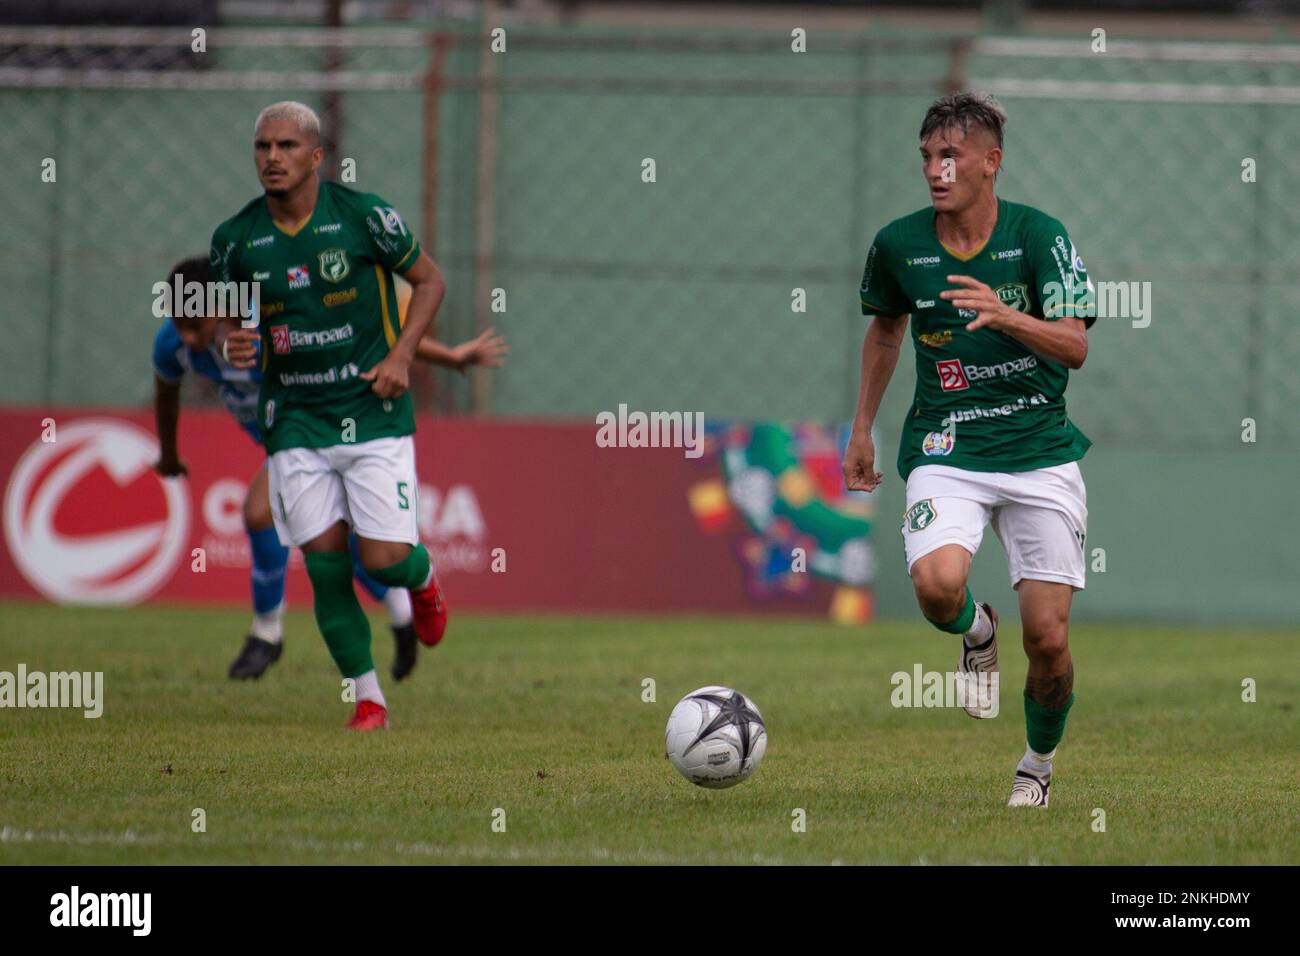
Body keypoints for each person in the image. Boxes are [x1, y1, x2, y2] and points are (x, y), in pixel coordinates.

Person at [844, 92, 1096, 806]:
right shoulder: (899, 245)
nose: (936, 169)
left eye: (950, 155)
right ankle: (976, 628)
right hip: (946, 446)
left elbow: (1075, 345)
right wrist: (862, 427)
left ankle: (1036, 766)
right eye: (927, 156)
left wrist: (1007, 316)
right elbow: (887, 331)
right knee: (935, 586)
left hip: (1039, 451)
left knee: (1047, 641)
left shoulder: (1039, 236)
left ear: (992, 162)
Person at [215, 99, 461, 729]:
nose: (272, 158)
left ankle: (425, 575)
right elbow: (228, 321)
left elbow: (430, 282)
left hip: (372, 411)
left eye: (287, 147)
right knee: (325, 566)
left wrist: (403, 356)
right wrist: (232, 340)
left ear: (317, 156)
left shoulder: (364, 216)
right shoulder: (236, 239)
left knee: (383, 560)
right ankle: (369, 698)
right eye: (263, 147)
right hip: (294, 419)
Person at [152, 255, 506, 683]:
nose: (189, 337)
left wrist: (449, 357)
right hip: (289, 439)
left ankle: (273, 632)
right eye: (180, 323)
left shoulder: (270, 318)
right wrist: (168, 454)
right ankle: (394, 615)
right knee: (328, 541)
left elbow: (364, 337)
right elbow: (166, 394)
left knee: (274, 518)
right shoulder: (173, 344)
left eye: (198, 325)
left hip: (336, 425)